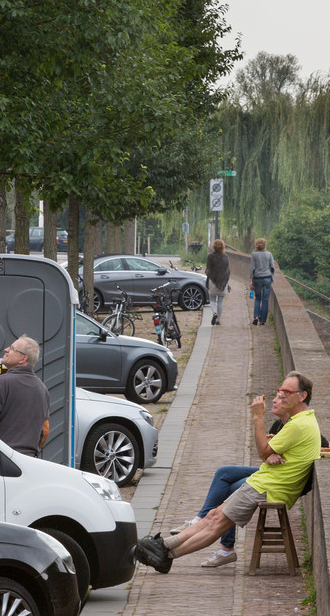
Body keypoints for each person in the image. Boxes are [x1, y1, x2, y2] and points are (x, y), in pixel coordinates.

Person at [135, 371, 319, 573]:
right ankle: (164, 545)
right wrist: (269, 451)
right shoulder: (302, 421)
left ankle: (166, 555)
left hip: (269, 486)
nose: (282, 395)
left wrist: (258, 417)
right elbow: (268, 451)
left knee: (217, 523)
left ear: (302, 396)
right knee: (213, 514)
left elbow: (263, 451)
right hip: (266, 481)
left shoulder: (299, 425)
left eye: (287, 391)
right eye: (280, 390)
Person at [0, 335, 50, 457]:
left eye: (12, 348)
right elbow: (45, 430)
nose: (6, 349)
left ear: (23, 358)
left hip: (3, 457)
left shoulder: (1, 383)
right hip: (29, 460)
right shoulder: (42, 389)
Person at [250, 238, 276, 326]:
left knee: (257, 298)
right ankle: (263, 320)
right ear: (265, 245)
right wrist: (271, 275)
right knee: (265, 300)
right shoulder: (269, 254)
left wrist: (251, 280)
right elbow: (272, 267)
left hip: (257, 278)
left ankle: (256, 316)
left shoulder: (254, 254)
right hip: (267, 278)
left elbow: (252, 269)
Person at [205, 239, 230, 326]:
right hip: (222, 282)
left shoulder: (210, 257)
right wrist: (226, 281)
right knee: (220, 301)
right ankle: (218, 320)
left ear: (214, 247)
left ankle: (214, 312)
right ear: (223, 247)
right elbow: (227, 271)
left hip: (212, 281)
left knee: (212, 299)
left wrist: (210, 275)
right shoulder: (225, 257)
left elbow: (207, 270)